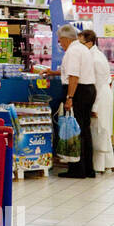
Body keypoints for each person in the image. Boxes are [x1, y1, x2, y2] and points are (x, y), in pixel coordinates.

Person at [43, 24, 96, 178]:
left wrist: (70, 98)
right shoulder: (82, 49)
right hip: (88, 90)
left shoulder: (72, 52)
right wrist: (53, 72)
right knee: (84, 130)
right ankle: (88, 169)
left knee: (75, 131)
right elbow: (72, 71)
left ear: (66, 39)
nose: (60, 44)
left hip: (78, 91)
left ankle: (77, 169)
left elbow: (74, 76)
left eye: (60, 41)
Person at [80, 30, 114, 175]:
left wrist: (94, 106)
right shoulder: (94, 55)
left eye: (81, 42)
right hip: (101, 94)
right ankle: (107, 163)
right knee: (102, 129)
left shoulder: (94, 59)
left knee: (98, 129)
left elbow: (99, 84)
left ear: (89, 43)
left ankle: (99, 165)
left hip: (100, 96)